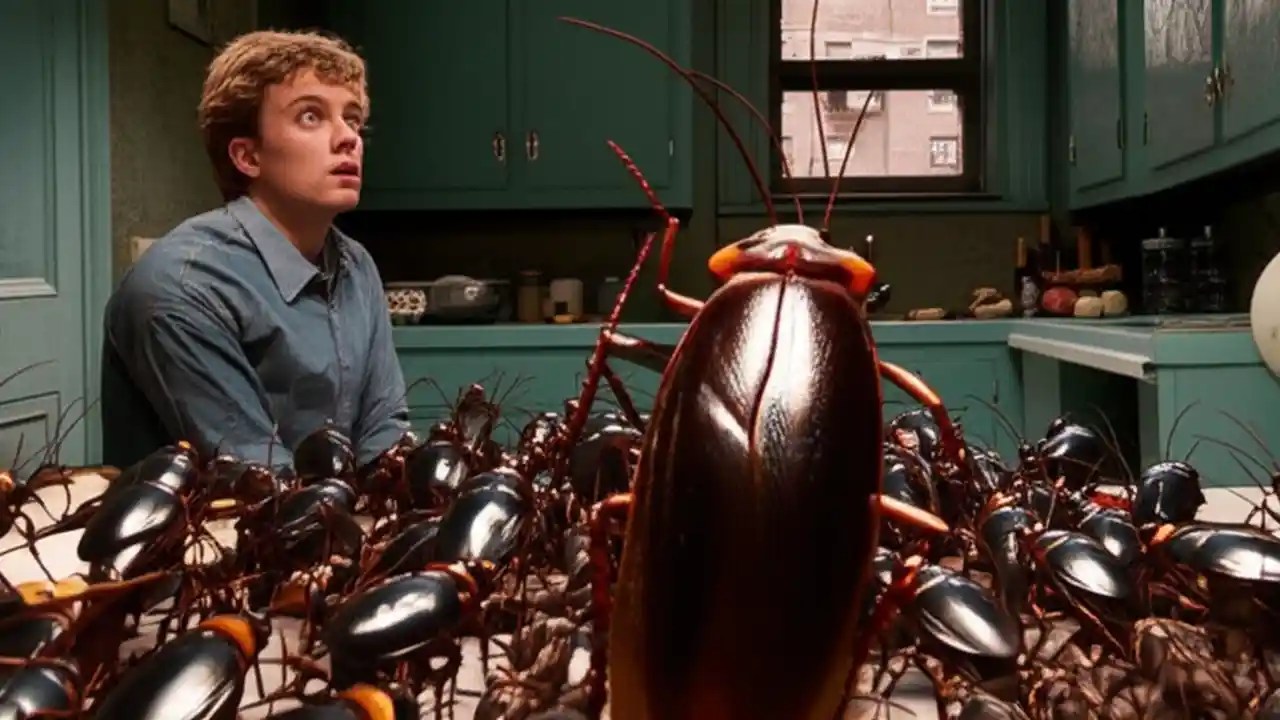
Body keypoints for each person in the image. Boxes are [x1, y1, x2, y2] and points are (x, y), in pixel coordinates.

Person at [101, 30, 409, 472]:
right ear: (247, 157)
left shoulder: (356, 265)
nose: (348, 139)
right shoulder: (180, 287)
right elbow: (256, 476)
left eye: (353, 119)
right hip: (214, 532)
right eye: (310, 116)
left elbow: (384, 434)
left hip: (336, 521)